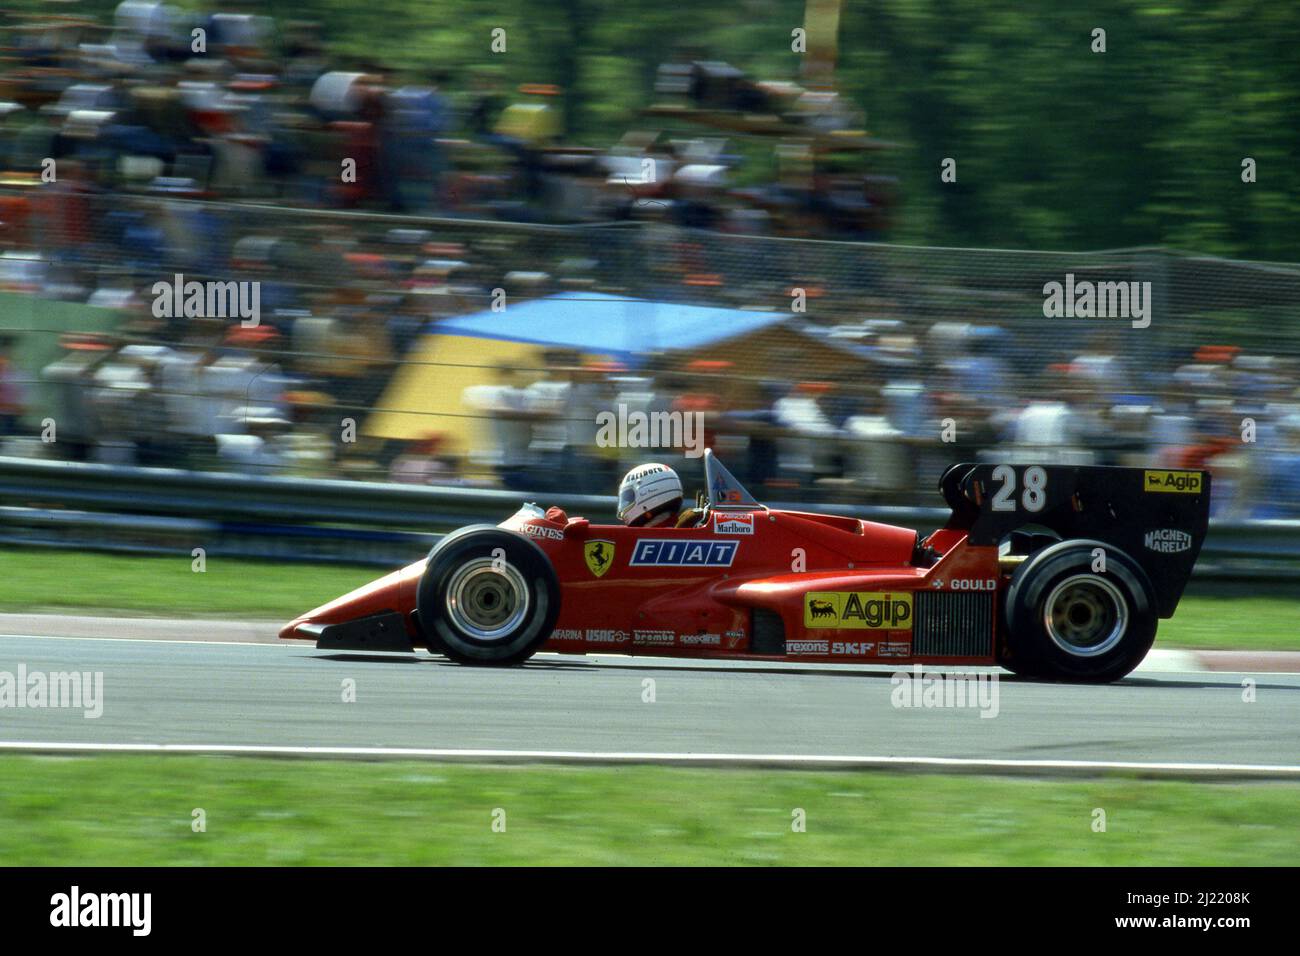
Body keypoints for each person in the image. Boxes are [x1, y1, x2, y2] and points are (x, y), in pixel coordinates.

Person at [617, 463, 684, 527]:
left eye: (630, 497)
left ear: (645, 491)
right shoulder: (680, 527)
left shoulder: (649, 535)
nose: (627, 503)